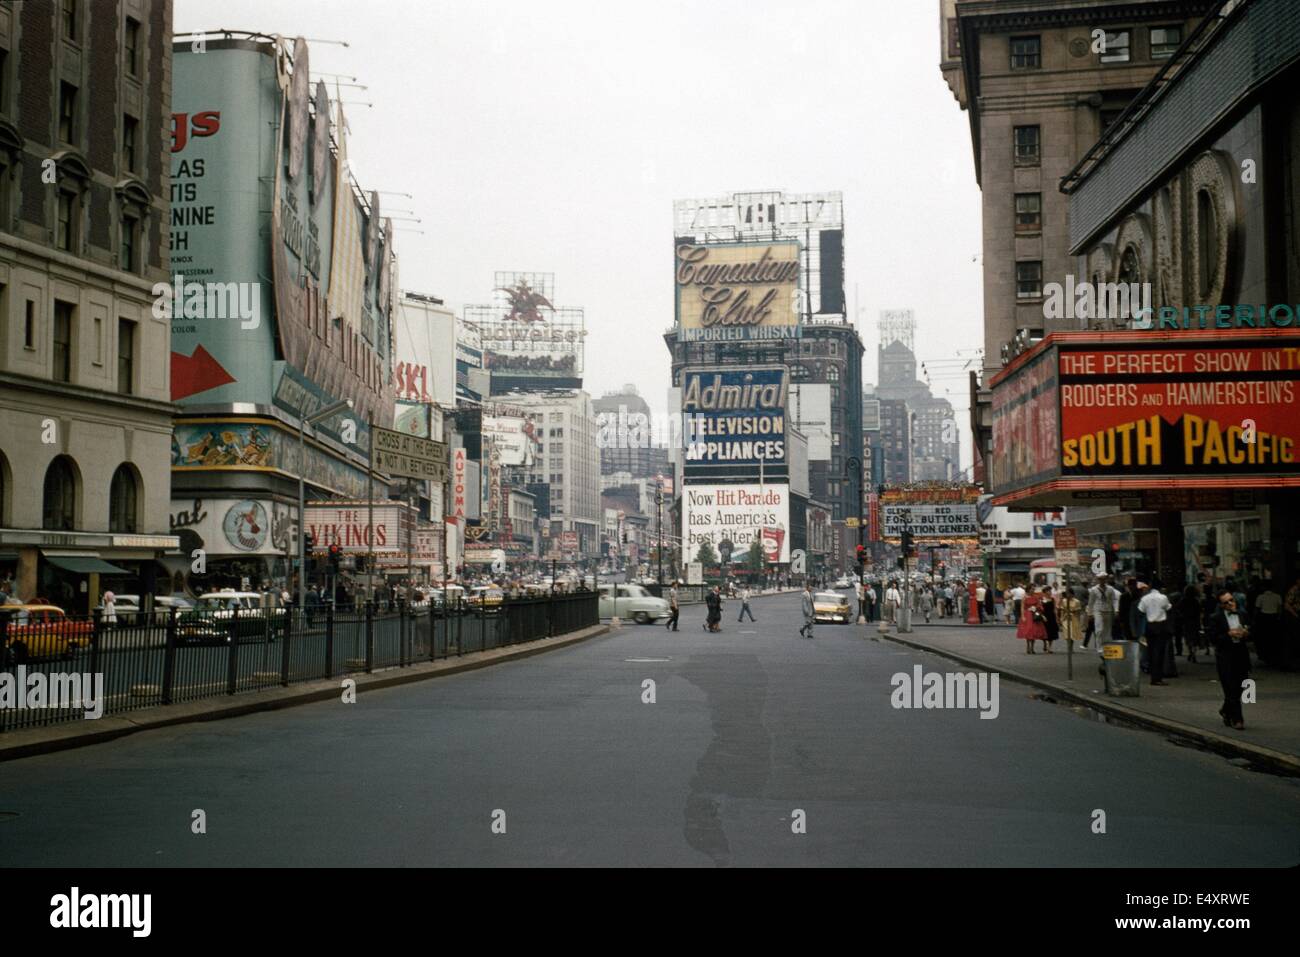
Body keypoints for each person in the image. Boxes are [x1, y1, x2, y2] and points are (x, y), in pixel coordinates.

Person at [1210, 591, 1252, 730]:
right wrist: (1228, 634)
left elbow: (1250, 630)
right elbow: (1213, 638)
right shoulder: (1216, 618)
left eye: (1231, 600)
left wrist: (1246, 633)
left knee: (1242, 685)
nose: (1230, 603)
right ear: (1221, 605)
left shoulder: (1242, 614)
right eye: (1226, 602)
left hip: (1241, 654)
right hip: (1225, 656)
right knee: (1230, 688)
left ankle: (1225, 710)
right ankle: (1237, 719)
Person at [1139, 581, 1173, 685]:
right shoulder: (1163, 597)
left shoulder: (1145, 598)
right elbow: (1168, 607)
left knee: (1151, 651)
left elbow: (1141, 610)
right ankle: (1158, 677)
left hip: (1150, 626)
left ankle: (1153, 676)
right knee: (1160, 652)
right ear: (1160, 588)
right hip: (1160, 625)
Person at [1252, 583, 1283, 667]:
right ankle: (1273, 654)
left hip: (1264, 618)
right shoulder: (1277, 596)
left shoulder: (1260, 597)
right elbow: (1280, 609)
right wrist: (1279, 617)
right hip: (1274, 617)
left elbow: (1257, 609)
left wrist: (1254, 620)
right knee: (1274, 637)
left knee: (1264, 637)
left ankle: (1265, 654)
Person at [1086, 576, 1119, 650]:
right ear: (1098, 580)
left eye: (1104, 579)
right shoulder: (1094, 590)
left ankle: (1107, 646)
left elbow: (1114, 600)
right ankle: (1099, 647)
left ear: (1106, 580)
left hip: (1108, 610)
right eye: (1100, 579)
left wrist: (1116, 610)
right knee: (1099, 629)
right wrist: (1090, 613)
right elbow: (1090, 602)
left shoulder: (1110, 589)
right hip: (1098, 610)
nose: (1102, 581)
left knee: (1107, 630)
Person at [1016, 586, 1046, 653]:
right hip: (1027, 615)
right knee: (1028, 631)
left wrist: (1036, 607)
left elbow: (1040, 605)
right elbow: (1022, 607)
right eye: (1032, 589)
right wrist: (1023, 616)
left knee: (1033, 631)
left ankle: (1032, 648)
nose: (1033, 590)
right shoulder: (1024, 598)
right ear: (1028, 590)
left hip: (1034, 615)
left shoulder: (1036, 597)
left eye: (1033, 589)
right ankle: (1028, 646)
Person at [1040, 585, 1059, 653]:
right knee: (1044, 631)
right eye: (1048, 591)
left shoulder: (1052, 599)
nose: (1050, 592)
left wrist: (1056, 617)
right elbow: (1040, 609)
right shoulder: (1041, 599)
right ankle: (1045, 643)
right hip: (1044, 616)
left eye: (1050, 590)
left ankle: (1049, 648)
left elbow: (1054, 609)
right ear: (1045, 592)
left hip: (1051, 616)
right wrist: (1042, 616)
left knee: (1051, 632)